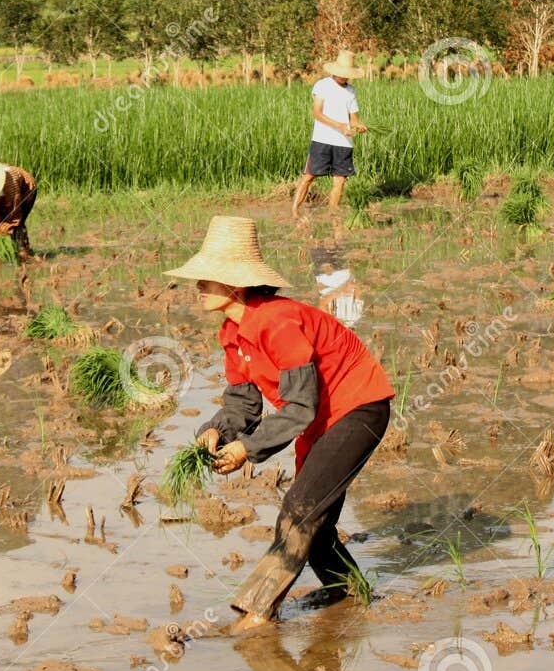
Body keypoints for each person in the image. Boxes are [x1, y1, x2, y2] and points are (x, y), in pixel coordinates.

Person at [165, 215, 393, 631]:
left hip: (358, 408)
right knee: (317, 528)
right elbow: (242, 405)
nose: (197, 286)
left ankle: (257, 610)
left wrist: (248, 450)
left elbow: (300, 406)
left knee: (299, 510)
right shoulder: (233, 334)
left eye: (205, 278)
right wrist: (218, 431)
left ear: (234, 285)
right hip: (321, 422)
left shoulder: (277, 322)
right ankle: (355, 596)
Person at [290, 51, 368, 217]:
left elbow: (353, 119)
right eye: (341, 74)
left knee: (340, 180)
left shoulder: (352, 91)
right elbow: (317, 113)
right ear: (335, 71)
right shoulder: (322, 85)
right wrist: (339, 125)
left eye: (347, 75)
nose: (344, 77)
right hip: (322, 140)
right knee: (309, 176)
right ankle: (295, 212)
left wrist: (358, 126)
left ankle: (333, 214)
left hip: (344, 143)